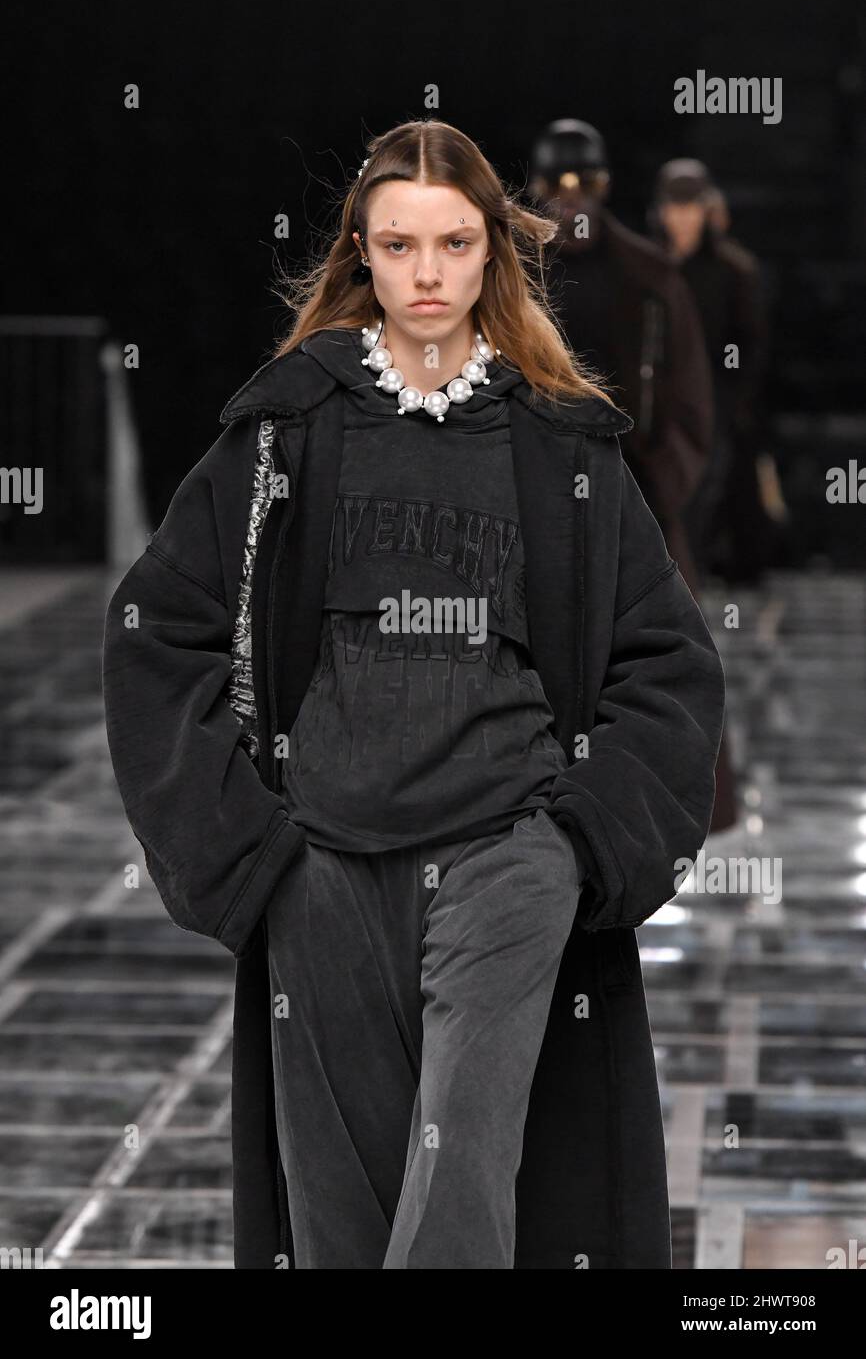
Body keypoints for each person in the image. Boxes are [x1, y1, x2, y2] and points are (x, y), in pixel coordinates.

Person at [101, 117, 726, 1270]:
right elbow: (155, 629)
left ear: (492, 250)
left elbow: (666, 659)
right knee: (337, 1220)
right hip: (321, 870)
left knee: (461, 1197)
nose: (426, 274)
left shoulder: (557, 445)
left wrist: (578, 842)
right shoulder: (288, 432)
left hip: (505, 855)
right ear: (361, 252)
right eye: (398, 245)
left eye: (452, 243)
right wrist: (243, 851)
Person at [529, 119, 737, 831]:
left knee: (662, 659)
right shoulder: (509, 269)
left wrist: (656, 497)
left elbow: (690, 400)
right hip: (530, 499)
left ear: (606, 184)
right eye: (558, 182)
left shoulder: (650, 273)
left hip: (635, 498)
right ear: (536, 185)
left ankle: (662, 818)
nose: (570, 196)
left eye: (583, 181)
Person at [649, 159, 774, 582]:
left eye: (691, 207)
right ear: (662, 211)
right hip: (656, 404)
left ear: (706, 210)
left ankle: (685, 583)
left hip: (712, 403)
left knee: (701, 494)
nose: (683, 218)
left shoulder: (733, 271)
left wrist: (734, 400)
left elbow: (749, 343)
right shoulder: (647, 266)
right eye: (675, 207)